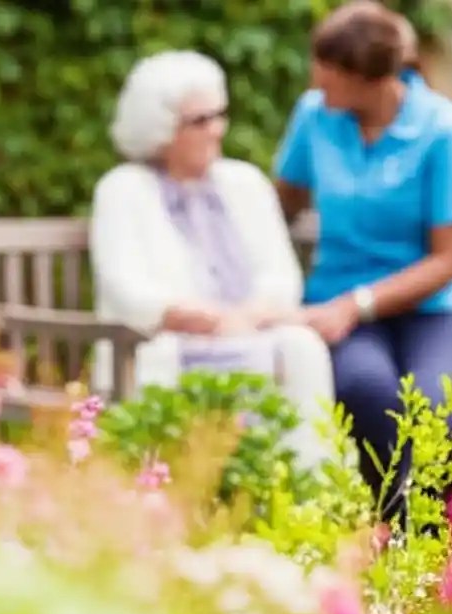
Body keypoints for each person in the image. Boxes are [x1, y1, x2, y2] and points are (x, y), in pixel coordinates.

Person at [273, 2, 452, 521]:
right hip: (337, 296)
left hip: (439, 305)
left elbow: (449, 259)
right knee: (366, 390)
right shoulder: (316, 115)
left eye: (330, 70)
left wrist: (358, 304)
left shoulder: (446, 130)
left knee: (436, 403)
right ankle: (392, 535)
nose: (316, 78)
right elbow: (283, 201)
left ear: (372, 80)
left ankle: (436, 544)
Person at [90, 50, 334, 468]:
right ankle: (170, 492)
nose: (217, 129)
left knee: (301, 346)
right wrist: (198, 317)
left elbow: (281, 276)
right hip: (163, 340)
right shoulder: (122, 190)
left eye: (219, 114)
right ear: (161, 129)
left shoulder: (246, 183)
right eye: (200, 120)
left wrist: (249, 315)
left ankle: (308, 486)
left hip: (249, 329)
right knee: (165, 359)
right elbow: (123, 285)